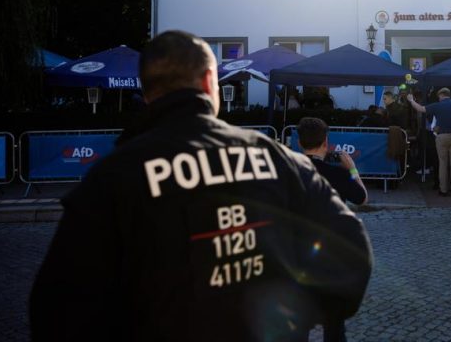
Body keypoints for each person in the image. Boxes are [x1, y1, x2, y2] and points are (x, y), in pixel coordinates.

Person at [30, 30, 372, 342]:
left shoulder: (111, 180)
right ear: (211, 82)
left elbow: (56, 312)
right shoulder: (276, 159)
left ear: (146, 91)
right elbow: (351, 251)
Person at [297, 117, 368, 342]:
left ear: (300, 143)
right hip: (331, 255)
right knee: (334, 325)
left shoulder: (289, 171)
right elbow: (362, 198)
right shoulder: (337, 173)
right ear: (326, 142)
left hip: (296, 254)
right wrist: (353, 169)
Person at [408, 87, 451, 196]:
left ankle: (443, 189)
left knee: (442, 164)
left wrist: (411, 100)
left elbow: (421, 109)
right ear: (449, 94)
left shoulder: (437, 105)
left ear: (440, 95)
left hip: (442, 137)